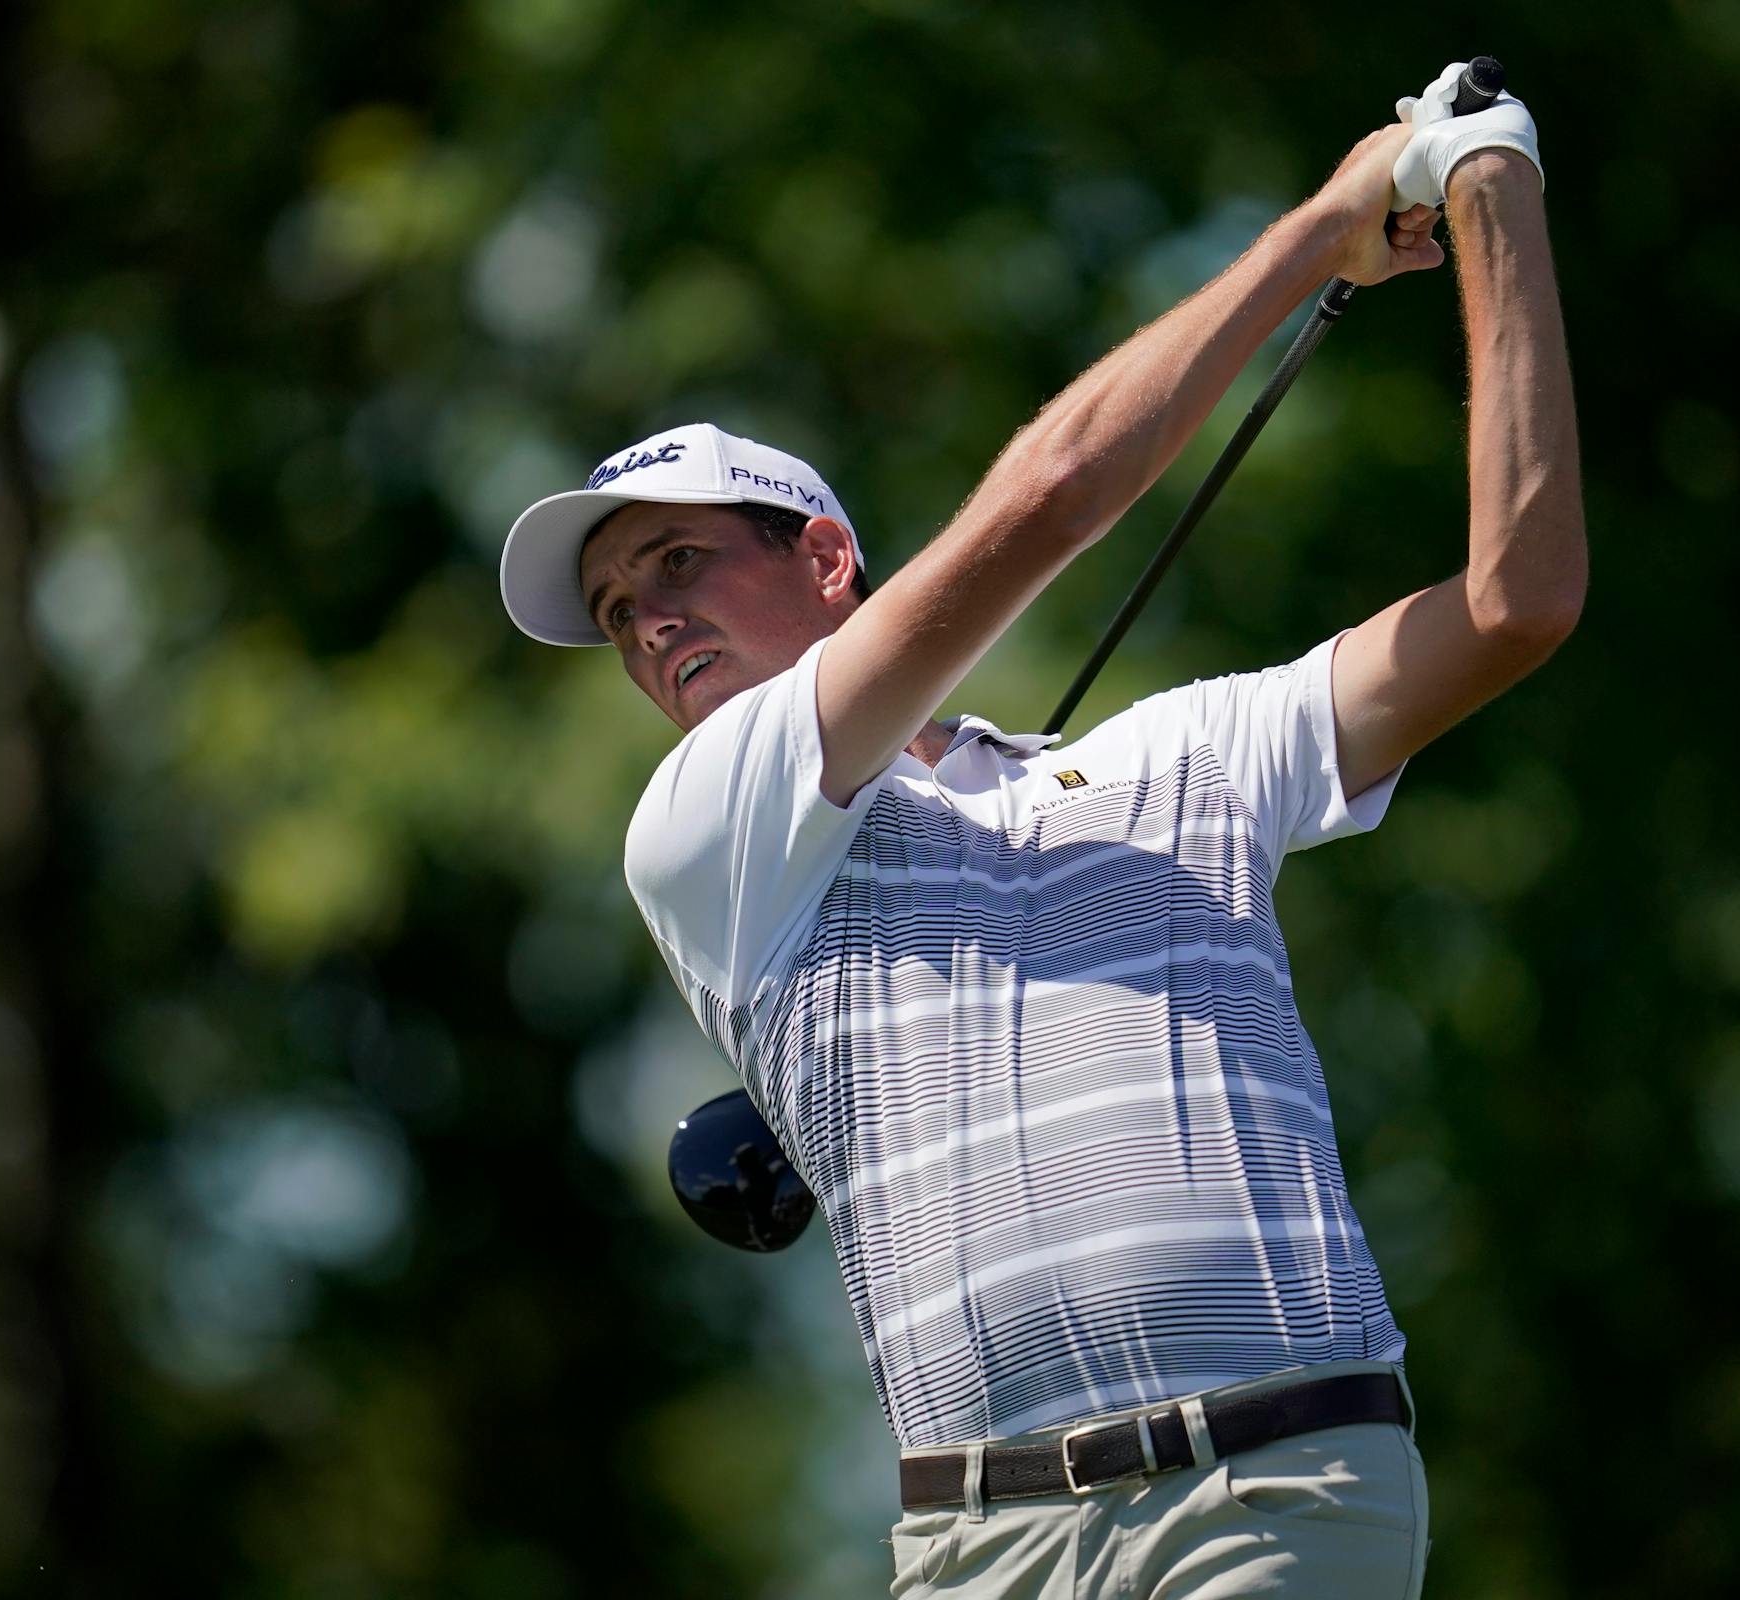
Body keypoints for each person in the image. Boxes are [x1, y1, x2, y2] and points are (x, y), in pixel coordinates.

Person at [498, 64, 1580, 1600]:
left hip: (1268, 1489)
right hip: (973, 1545)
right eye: (617, 611)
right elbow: (1059, 493)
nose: (648, 621)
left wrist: (1491, 187)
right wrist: (1320, 234)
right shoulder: (701, 829)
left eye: (678, 563)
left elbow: (1514, 603)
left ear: (826, 559)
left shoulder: (1187, 755)